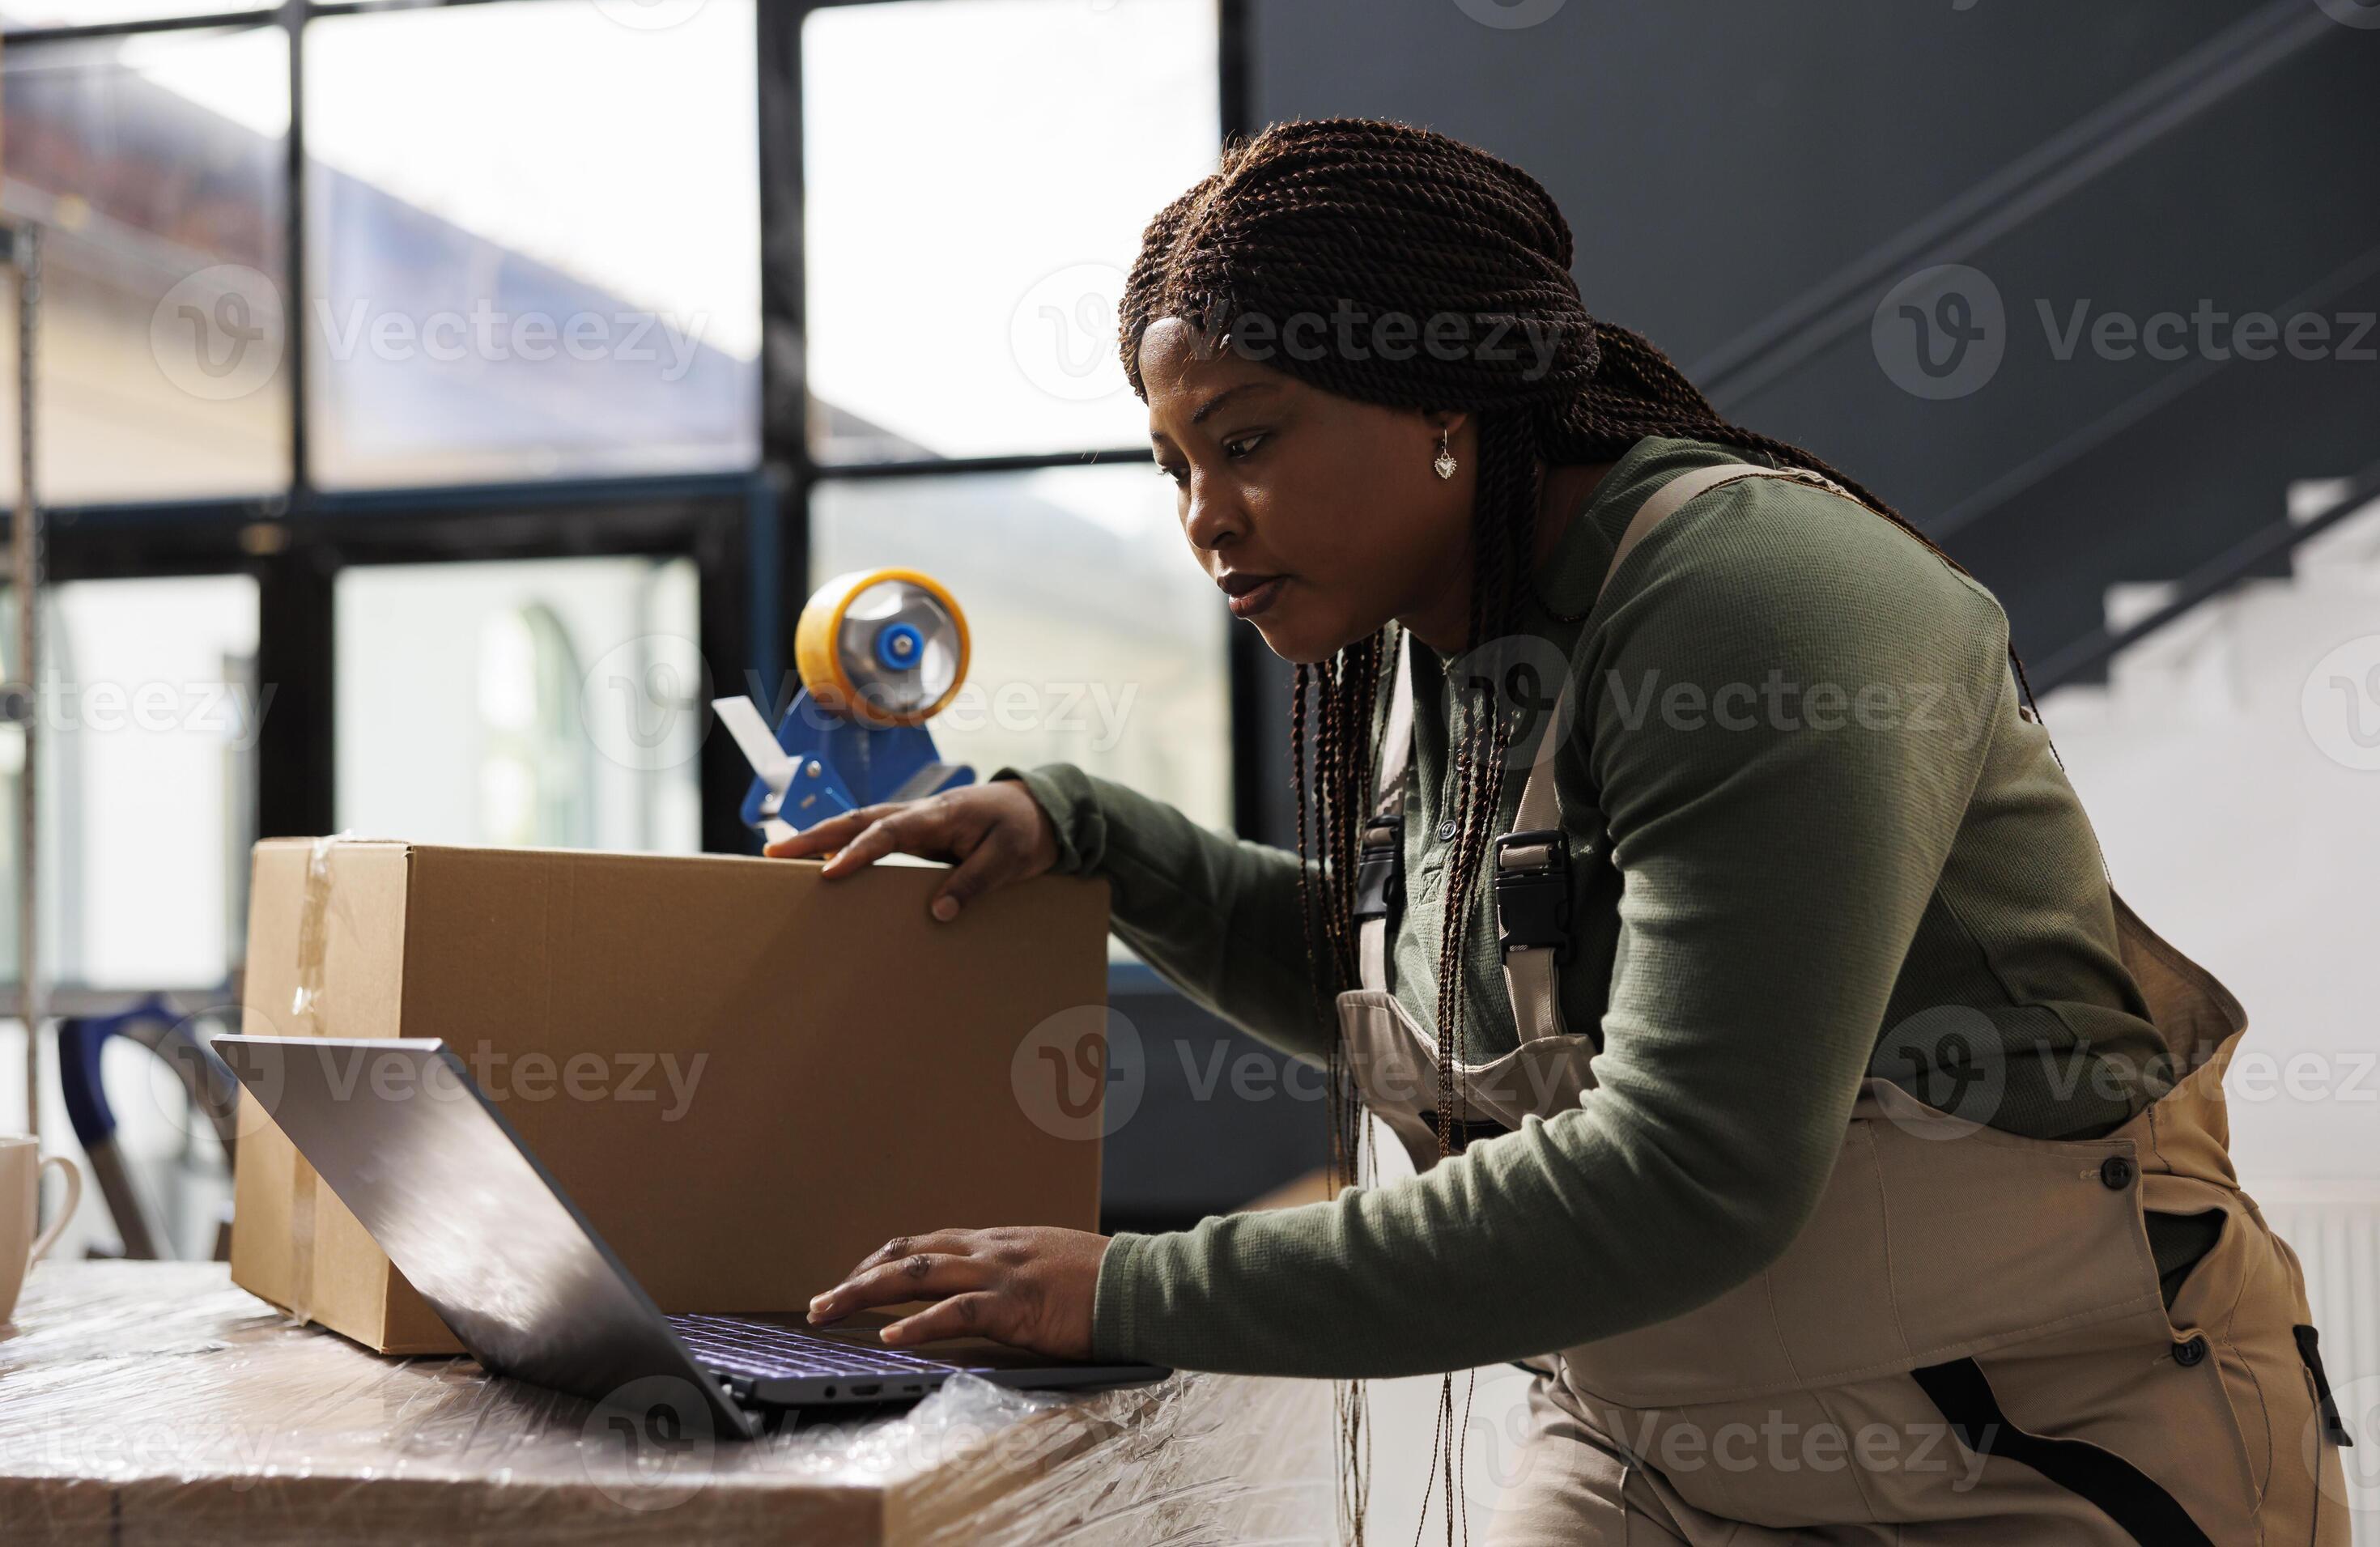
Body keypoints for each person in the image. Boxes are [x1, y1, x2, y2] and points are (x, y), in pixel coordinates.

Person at [781, 118, 2352, 1544]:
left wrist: (1123, 1286)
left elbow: (1687, 1170)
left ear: (1447, 398)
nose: (1202, 514)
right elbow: (1397, 1002)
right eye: (1177, 463)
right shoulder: (1429, 635)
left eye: (1248, 440)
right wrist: (1077, 833)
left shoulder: (1758, 606)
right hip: (1650, 1448)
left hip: (2027, 1454)